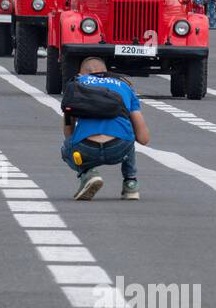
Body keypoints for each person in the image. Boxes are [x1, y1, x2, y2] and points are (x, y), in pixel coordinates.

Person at [60, 56, 151, 201]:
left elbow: (68, 130)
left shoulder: (77, 84)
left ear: (81, 73)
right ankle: (130, 184)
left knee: (66, 148)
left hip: (86, 149)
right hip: (119, 148)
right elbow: (143, 138)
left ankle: (88, 174)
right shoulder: (125, 86)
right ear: (106, 71)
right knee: (129, 135)